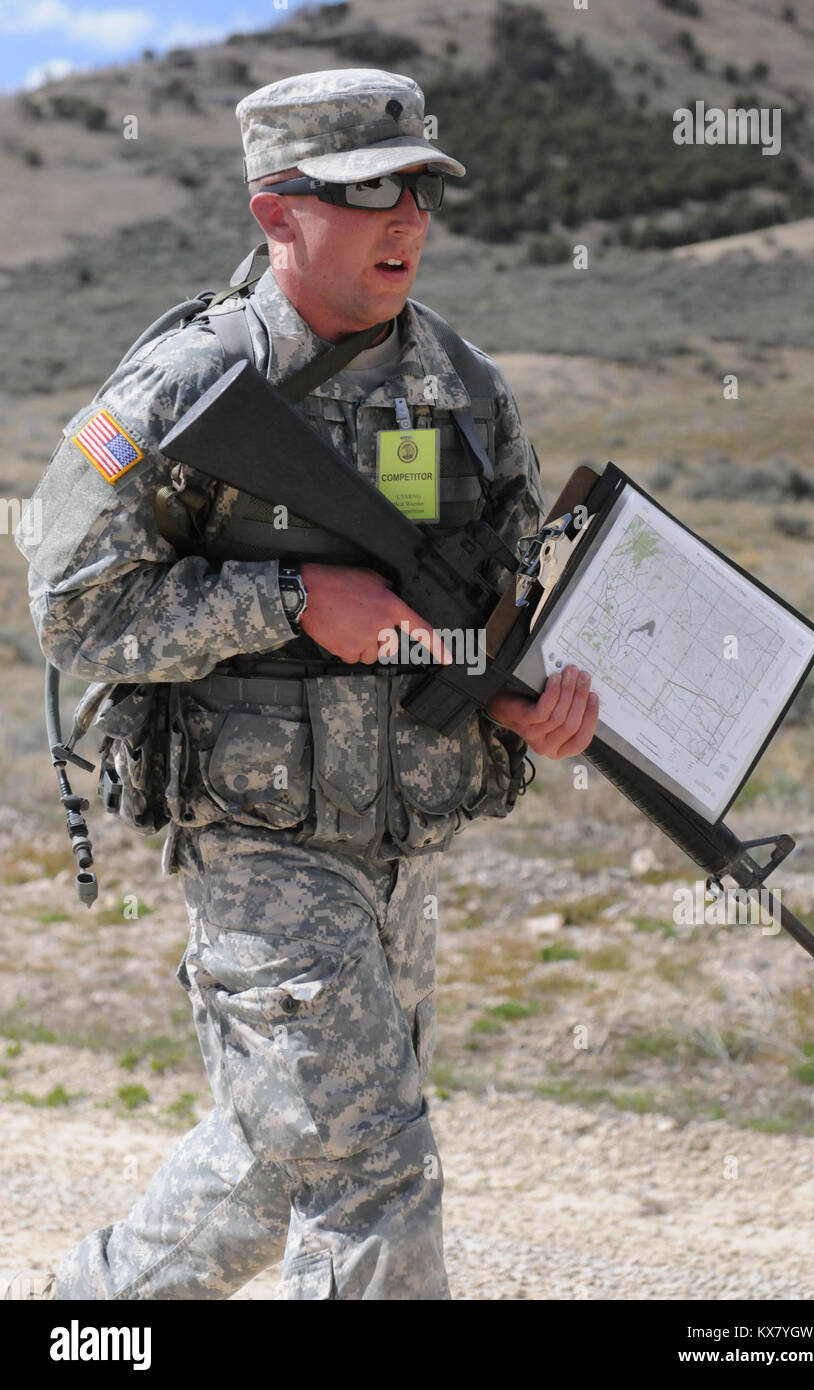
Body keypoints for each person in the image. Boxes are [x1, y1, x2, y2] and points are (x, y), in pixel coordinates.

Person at [9, 68, 598, 1301]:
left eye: (421, 189)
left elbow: (493, 612)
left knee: (277, 1158)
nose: (406, 219)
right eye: (364, 192)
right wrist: (282, 603)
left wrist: (519, 695)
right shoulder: (177, 391)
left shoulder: (467, 389)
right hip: (258, 846)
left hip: (402, 845)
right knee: (375, 1166)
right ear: (274, 210)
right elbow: (71, 612)